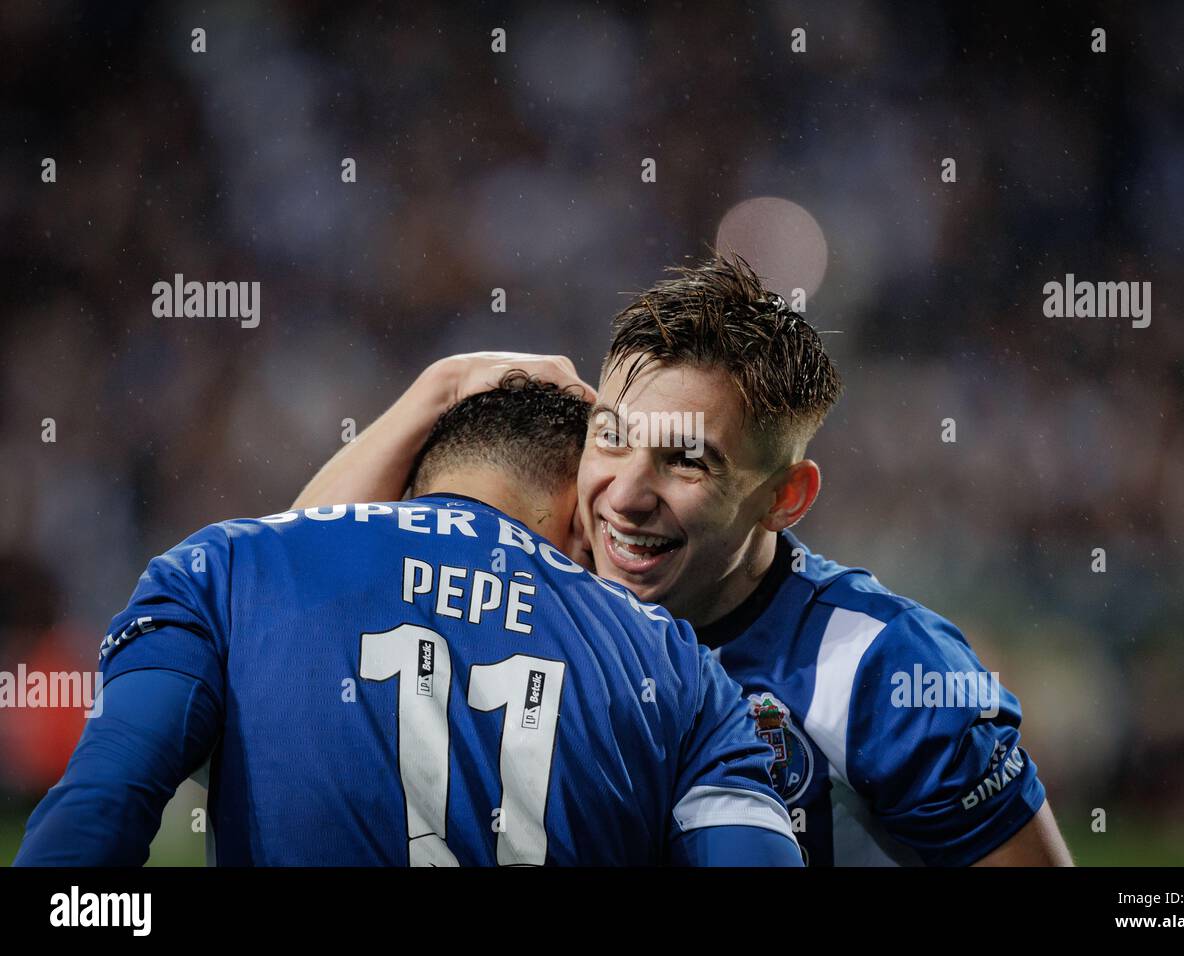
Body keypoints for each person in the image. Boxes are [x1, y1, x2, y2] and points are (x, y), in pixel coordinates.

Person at [292, 257, 1073, 866]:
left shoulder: (879, 669)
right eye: (612, 435)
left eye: (688, 462)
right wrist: (441, 388)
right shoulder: (543, 571)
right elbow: (295, 587)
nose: (625, 497)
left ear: (785, 498)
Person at [15, 374, 801, 866]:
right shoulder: (680, 670)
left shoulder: (217, 572)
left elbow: (98, 812)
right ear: (580, 516)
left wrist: (436, 386)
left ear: (418, 477)